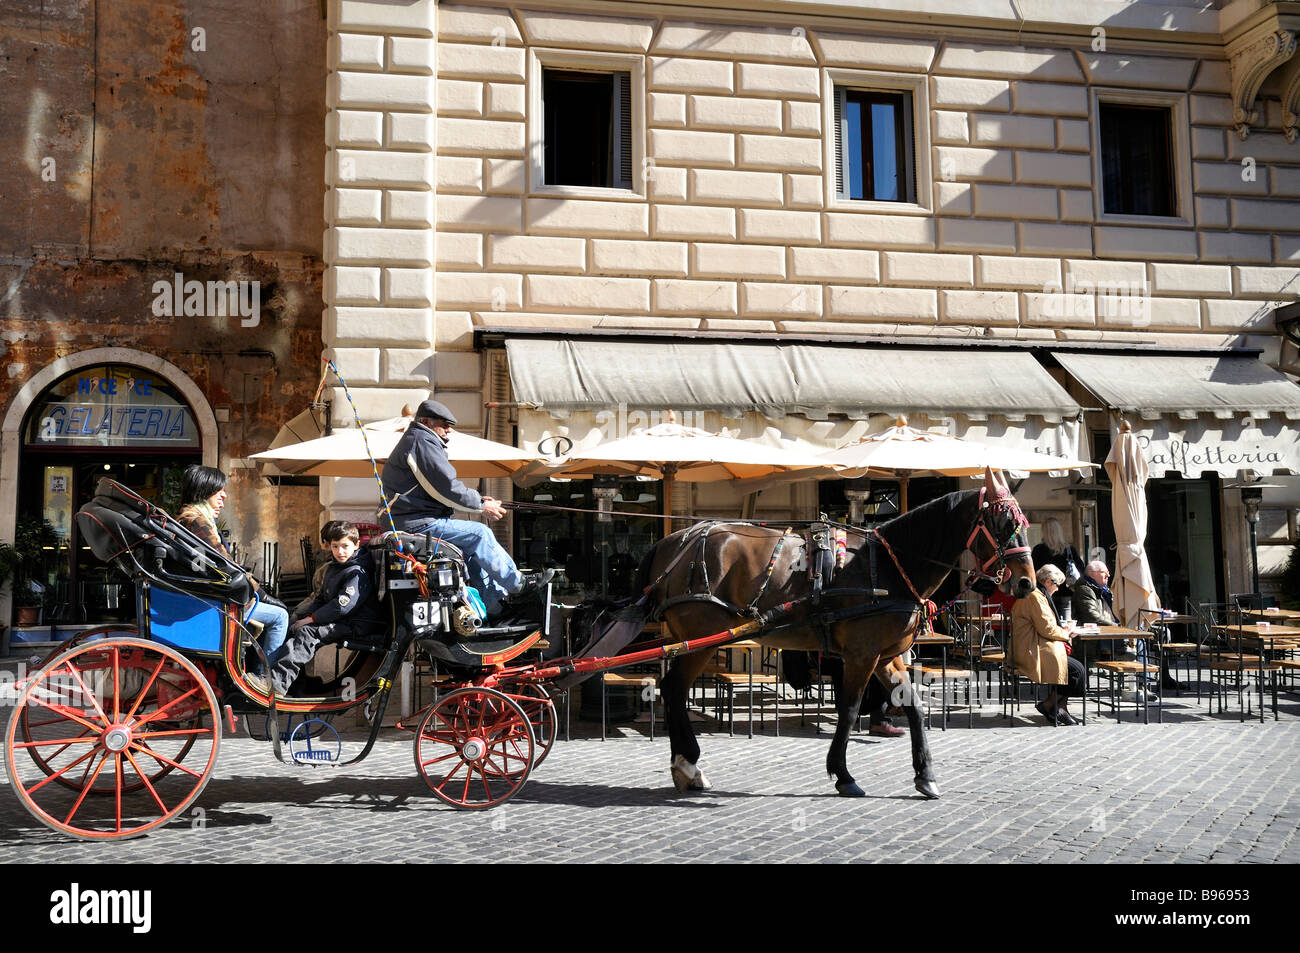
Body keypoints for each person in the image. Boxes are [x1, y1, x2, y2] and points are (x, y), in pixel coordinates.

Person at [380, 399, 550, 616]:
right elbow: (446, 487)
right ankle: (519, 585)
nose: (449, 430)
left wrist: (479, 500)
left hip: (414, 520)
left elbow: (432, 491)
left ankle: (495, 608)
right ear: (425, 422)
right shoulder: (422, 441)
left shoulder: (420, 440)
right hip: (414, 524)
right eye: (443, 424)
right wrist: (480, 505)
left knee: (471, 549)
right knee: (480, 533)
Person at [250, 521, 385, 697]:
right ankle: (296, 686)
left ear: (356, 545)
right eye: (335, 546)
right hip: (342, 620)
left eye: (345, 546)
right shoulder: (335, 567)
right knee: (292, 627)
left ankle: (276, 684)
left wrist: (311, 619)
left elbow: (341, 606)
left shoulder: (357, 572)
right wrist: (302, 616)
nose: (340, 552)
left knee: (307, 633)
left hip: (357, 623)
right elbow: (322, 597)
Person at [176, 465, 288, 670]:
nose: (224, 496)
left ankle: (255, 671)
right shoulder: (197, 522)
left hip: (208, 596)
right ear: (205, 490)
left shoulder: (190, 518)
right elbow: (225, 564)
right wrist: (260, 593)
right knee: (281, 616)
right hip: (213, 602)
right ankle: (265, 680)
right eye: (219, 491)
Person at [1012, 565, 1086, 726]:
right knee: (1076, 670)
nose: (1058, 589)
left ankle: (1057, 706)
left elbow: (1045, 626)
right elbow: (1046, 628)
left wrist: (1063, 631)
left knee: (1074, 665)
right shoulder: (1035, 597)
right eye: (1057, 584)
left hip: (1036, 645)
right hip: (1031, 650)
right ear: (1047, 581)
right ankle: (1052, 705)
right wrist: (1066, 633)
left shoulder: (1038, 595)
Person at [1031, 517, 1085, 618]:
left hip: (1045, 592)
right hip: (1066, 591)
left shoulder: (1038, 550)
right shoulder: (1069, 549)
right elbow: (1081, 569)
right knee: (1065, 622)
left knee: (1047, 621)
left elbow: (1033, 572)